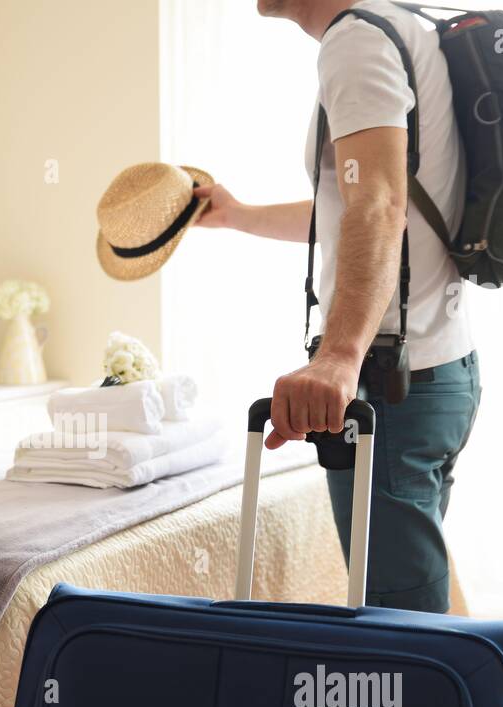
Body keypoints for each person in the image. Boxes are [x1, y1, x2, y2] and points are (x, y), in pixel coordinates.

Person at [195, 0, 478, 614]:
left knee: (401, 637)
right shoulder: (403, 28)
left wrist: (338, 357)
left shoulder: (355, 41)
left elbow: (377, 205)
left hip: (394, 385)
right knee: (409, 614)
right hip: (439, 367)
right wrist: (238, 216)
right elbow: (358, 211)